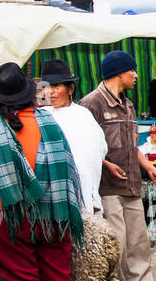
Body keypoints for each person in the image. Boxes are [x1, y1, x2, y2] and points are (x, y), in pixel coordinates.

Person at [0, 62, 86, 281]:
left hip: (10, 213)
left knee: (22, 275)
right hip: (54, 208)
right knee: (57, 268)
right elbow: (66, 162)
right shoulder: (47, 120)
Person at [79, 50, 156, 281]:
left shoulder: (127, 104)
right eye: (132, 71)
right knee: (116, 241)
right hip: (107, 185)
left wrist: (148, 167)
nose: (136, 76)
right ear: (119, 73)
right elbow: (86, 146)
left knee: (138, 238)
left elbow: (131, 144)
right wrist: (106, 164)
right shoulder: (91, 103)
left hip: (131, 181)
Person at [40, 59, 107, 218]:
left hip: (80, 188)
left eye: (56, 86)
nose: (51, 92)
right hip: (49, 193)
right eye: (46, 87)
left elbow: (98, 150)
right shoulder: (43, 115)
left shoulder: (82, 115)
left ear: (70, 89)